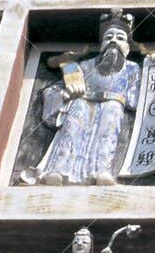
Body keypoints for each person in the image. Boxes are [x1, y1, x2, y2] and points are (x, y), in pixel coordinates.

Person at [35, 13, 141, 184]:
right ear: (102, 44)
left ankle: (101, 171)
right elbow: (62, 83)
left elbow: (133, 100)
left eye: (120, 37)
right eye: (108, 37)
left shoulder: (132, 67)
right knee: (72, 128)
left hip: (113, 103)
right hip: (83, 101)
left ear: (127, 46)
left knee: (108, 131)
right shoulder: (85, 65)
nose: (113, 41)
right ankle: (59, 170)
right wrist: (67, 93)